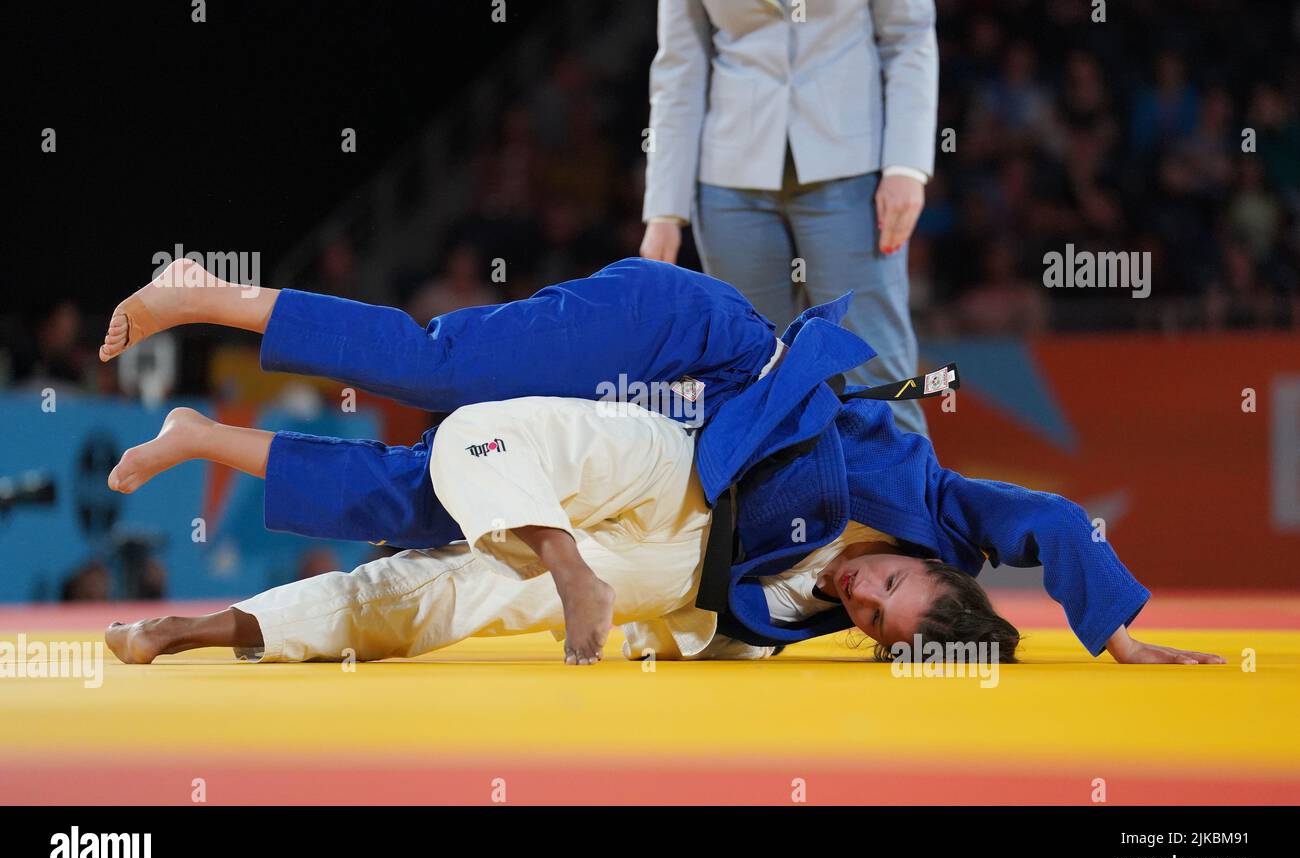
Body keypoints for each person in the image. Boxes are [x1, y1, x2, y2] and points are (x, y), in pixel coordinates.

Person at [99, 257, 1222, 665]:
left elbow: (720, 604)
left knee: (438, 497)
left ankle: (201, 434)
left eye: (872, 618)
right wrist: (1114, 628)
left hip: (654, 440)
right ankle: (207, 292)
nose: (863, 589)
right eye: (893, 583)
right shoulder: (939, 503)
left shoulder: (812, 605)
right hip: (686, 341)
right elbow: (1061, 523)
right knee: (442, 369)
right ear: (943, 569)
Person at [640, 0, 937, 436]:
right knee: (750, 376)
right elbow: (680, 67)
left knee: (876, 370)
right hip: (729, 180)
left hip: (854, 169)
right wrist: (664, 211)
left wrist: (906, 167)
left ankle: (911, 502)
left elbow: (909, 37)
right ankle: (772, 506)